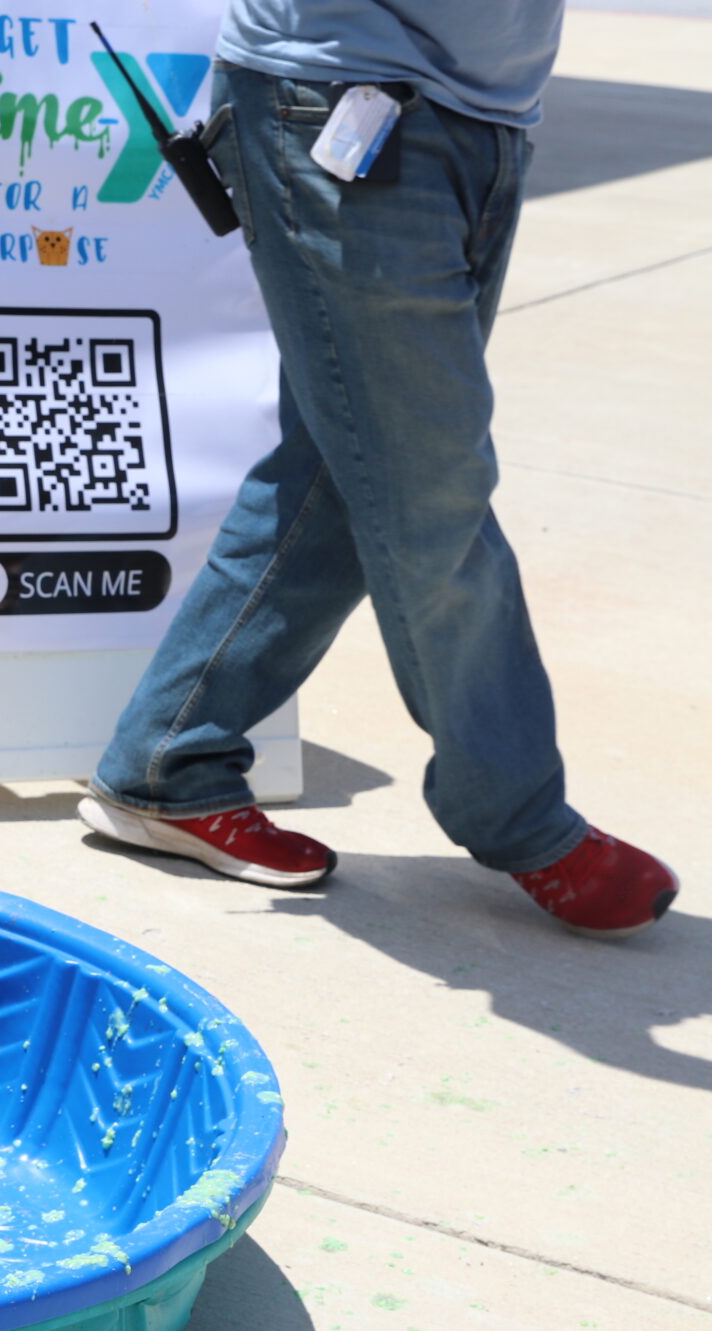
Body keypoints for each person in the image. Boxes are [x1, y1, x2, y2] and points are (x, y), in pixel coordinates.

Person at [77, 0, 679, 937]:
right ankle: (519, 817)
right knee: (428, 489)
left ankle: (167, 762)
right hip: (338, 99)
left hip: (481, 116)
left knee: (337, 468)